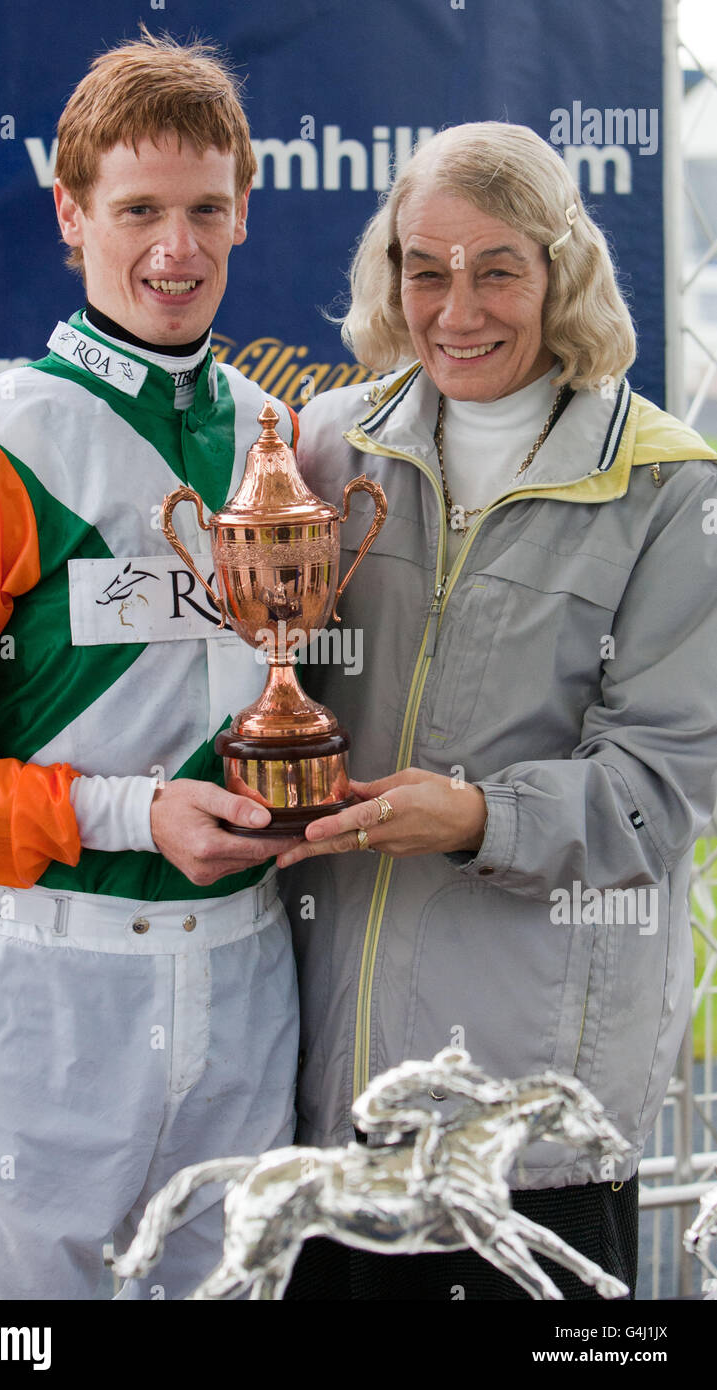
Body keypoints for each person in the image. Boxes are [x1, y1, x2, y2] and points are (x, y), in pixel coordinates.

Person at [278, 121, 717, 1299]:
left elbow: (668, 784)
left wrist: (478, 816)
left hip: (526, 1119)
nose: (454, 307)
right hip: (322, 1105)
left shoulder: (670, 490)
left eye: (496, 269)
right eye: (425, 267)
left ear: (560, 270)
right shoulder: (321, 451)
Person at [0, 31, 303, 1300]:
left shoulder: (278, 437)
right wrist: (130, 810)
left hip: (251, 978)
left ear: (244, 214)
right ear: (72, 216)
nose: (174, 250)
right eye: (137, 210)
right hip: (54, 989)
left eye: (204, 211)